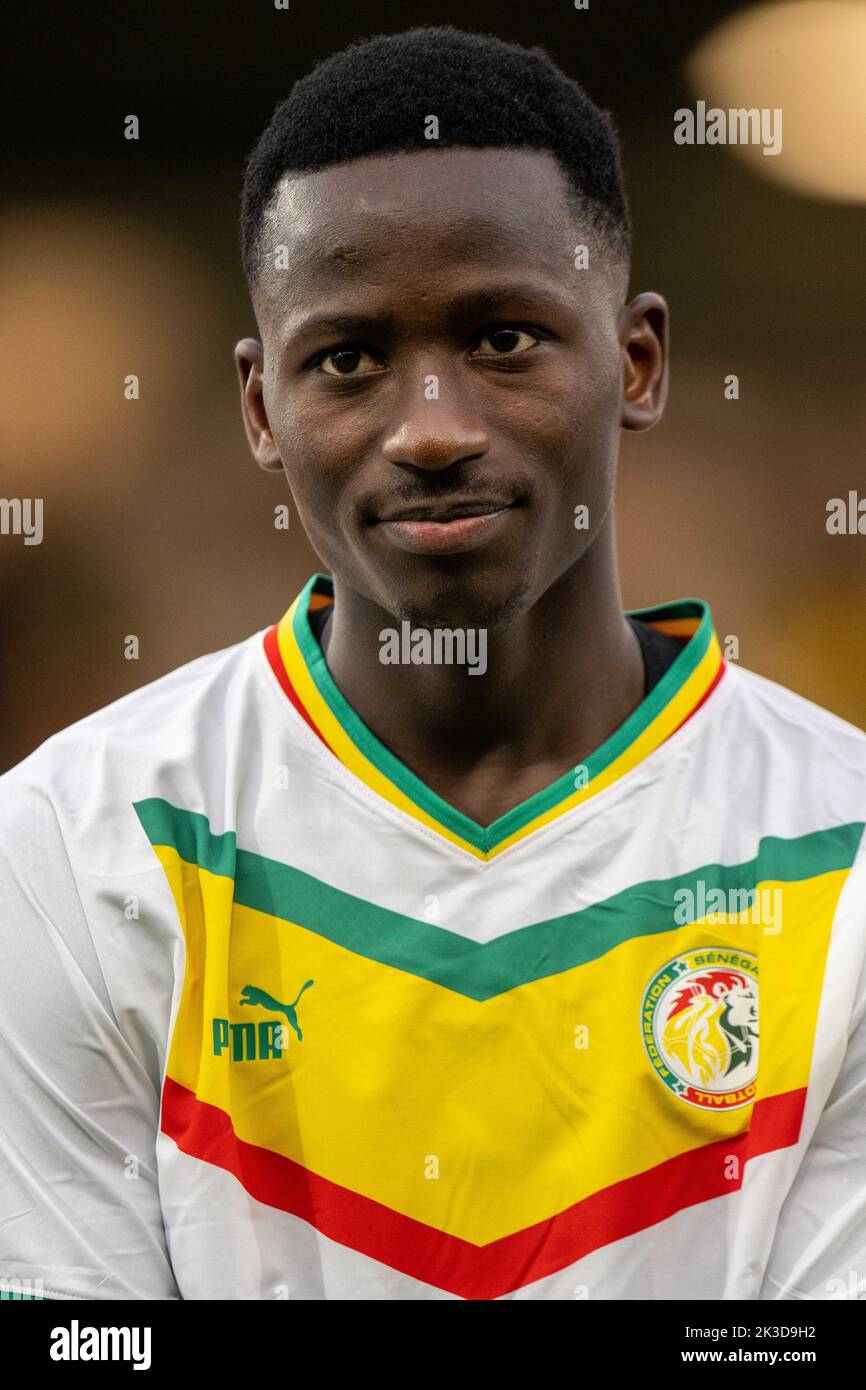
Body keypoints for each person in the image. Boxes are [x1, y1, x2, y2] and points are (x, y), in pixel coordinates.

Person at [1, 24, 864, 1303]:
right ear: (260, 407)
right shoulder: (73, 846)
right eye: (347, 358)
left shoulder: (837, 844)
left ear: (636, 361)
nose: (432, 431)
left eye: (504, 339)